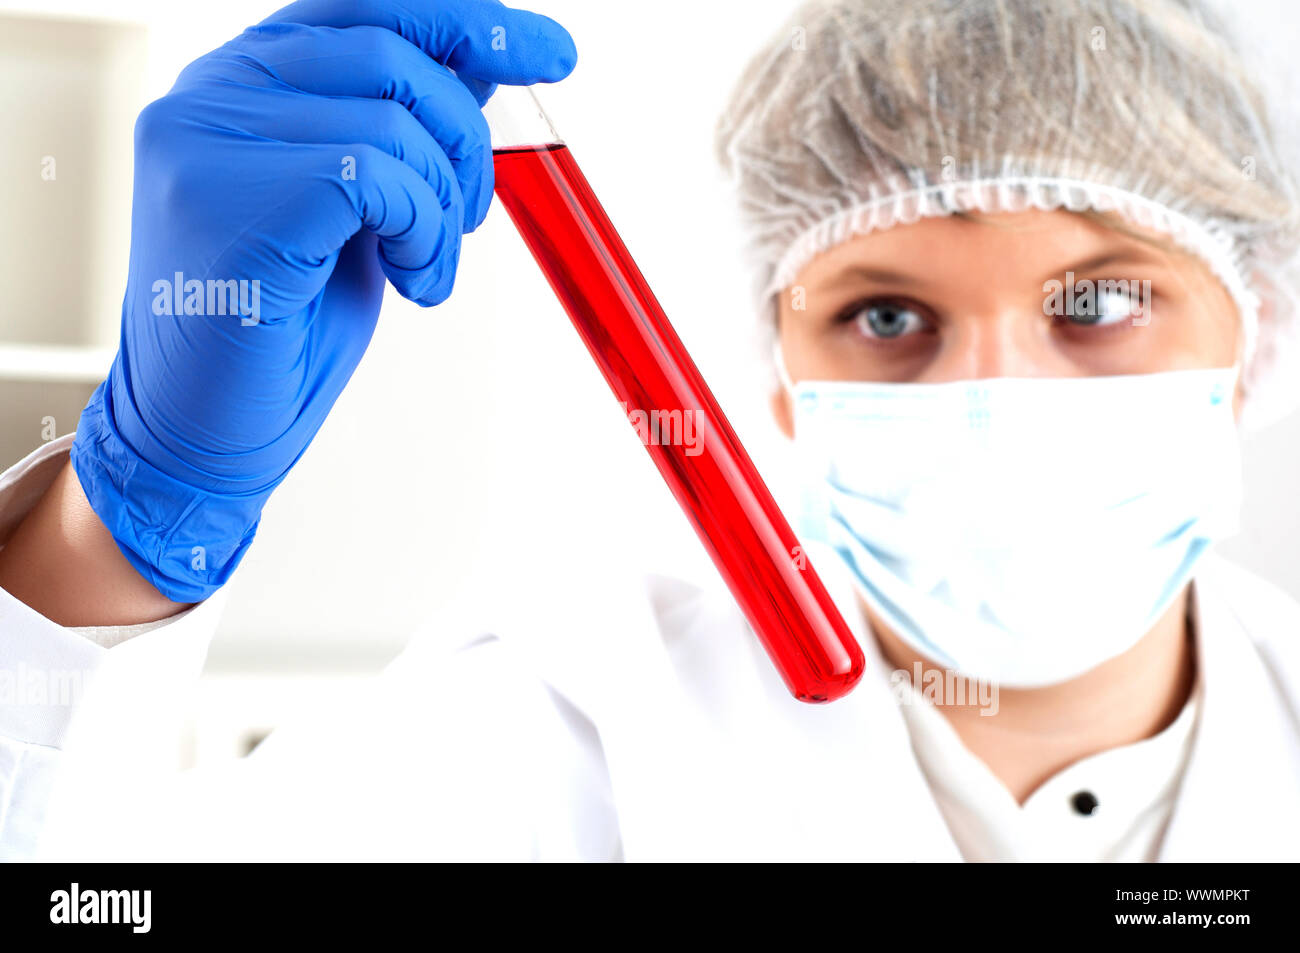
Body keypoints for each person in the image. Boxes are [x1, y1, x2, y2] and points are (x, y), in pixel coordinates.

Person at [1, 0, 1298, 861]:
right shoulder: (560, 720)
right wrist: (122, 525)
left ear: (1255, 333)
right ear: (780, 371)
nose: (998, 395)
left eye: (1103, 301)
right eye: (889, 313)